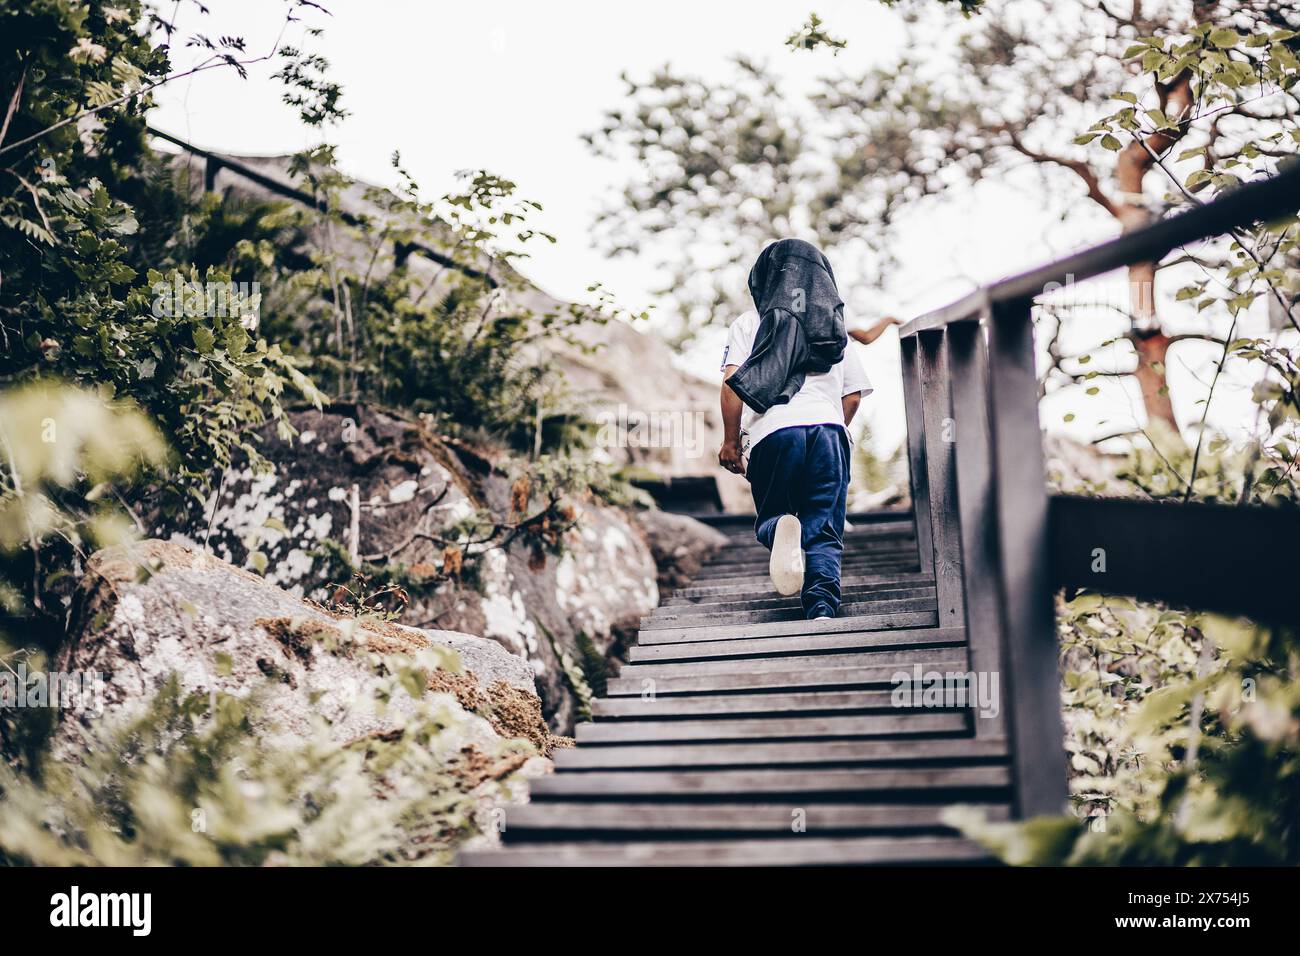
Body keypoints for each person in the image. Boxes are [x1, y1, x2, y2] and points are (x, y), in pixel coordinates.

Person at [718, 239, 890, 620]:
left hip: (773, 433)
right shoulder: (834, 326)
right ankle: (822, 607)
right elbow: (853, 397)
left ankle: (780, 526)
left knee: (774, 513)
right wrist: (831, 429)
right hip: (828, 430)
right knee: (824, 525)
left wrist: (731, 442)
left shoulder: (751, 323)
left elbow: (732, 385)